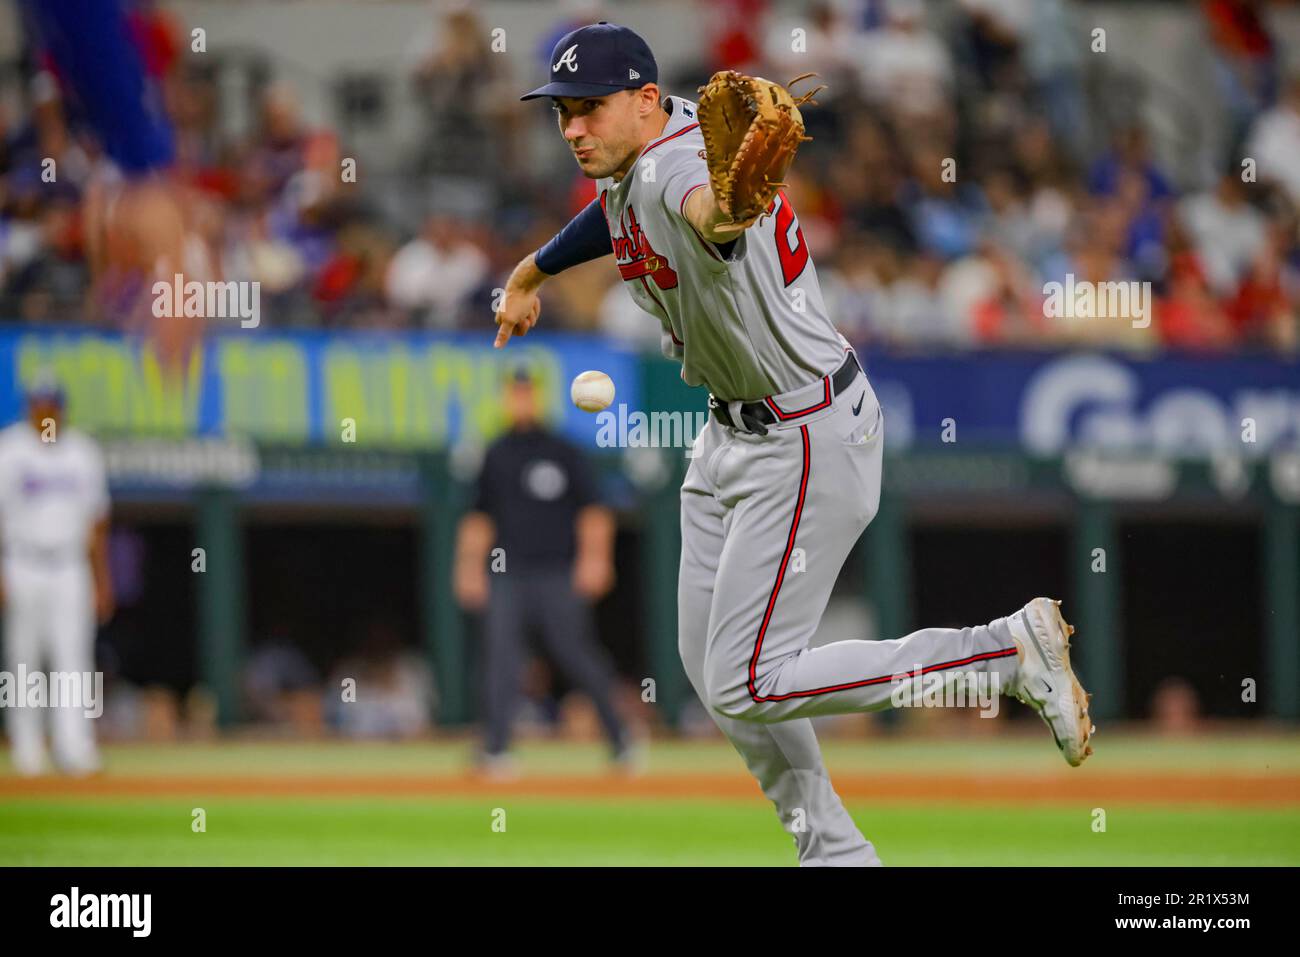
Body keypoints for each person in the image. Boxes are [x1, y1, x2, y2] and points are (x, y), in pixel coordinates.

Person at [494, 21, 1094, 866]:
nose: (573, 129)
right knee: (712, 673)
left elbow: (711, 210)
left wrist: (733, 204)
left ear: (640, 100)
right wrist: (531, 273)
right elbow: (611, 216)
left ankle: (997, 653)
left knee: (750, 678)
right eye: (562, 113)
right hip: (730, 432)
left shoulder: (677, 170)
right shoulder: (645, 150)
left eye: (588, 108)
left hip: (804, 432)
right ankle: (836, 853)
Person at [453, 367, 631, 775]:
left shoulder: (564, 450)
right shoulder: (495, 452)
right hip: (508, 571)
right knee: (500, 658)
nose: (521, 401)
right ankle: (496, 750)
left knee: (577, 654)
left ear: (538, 397)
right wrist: (468, 568)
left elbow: (593, 512)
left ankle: (621, 740)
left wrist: (596, 559)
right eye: (514, 394)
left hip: (557, 572)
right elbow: (479, 518)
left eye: (527, 393)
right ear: (505, 398)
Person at [0, 375, 114, 776]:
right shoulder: (10, 449)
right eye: (39, 403)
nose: (46, 410)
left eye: (52, 403)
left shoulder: (82, 452)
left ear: (62, 407)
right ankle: (28, 752)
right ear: (29, 406)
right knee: (23, 661)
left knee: (74, 660)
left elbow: (97, 521)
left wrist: (102, 580)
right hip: (23, 561)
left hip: (69, 565)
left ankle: (75, 749)